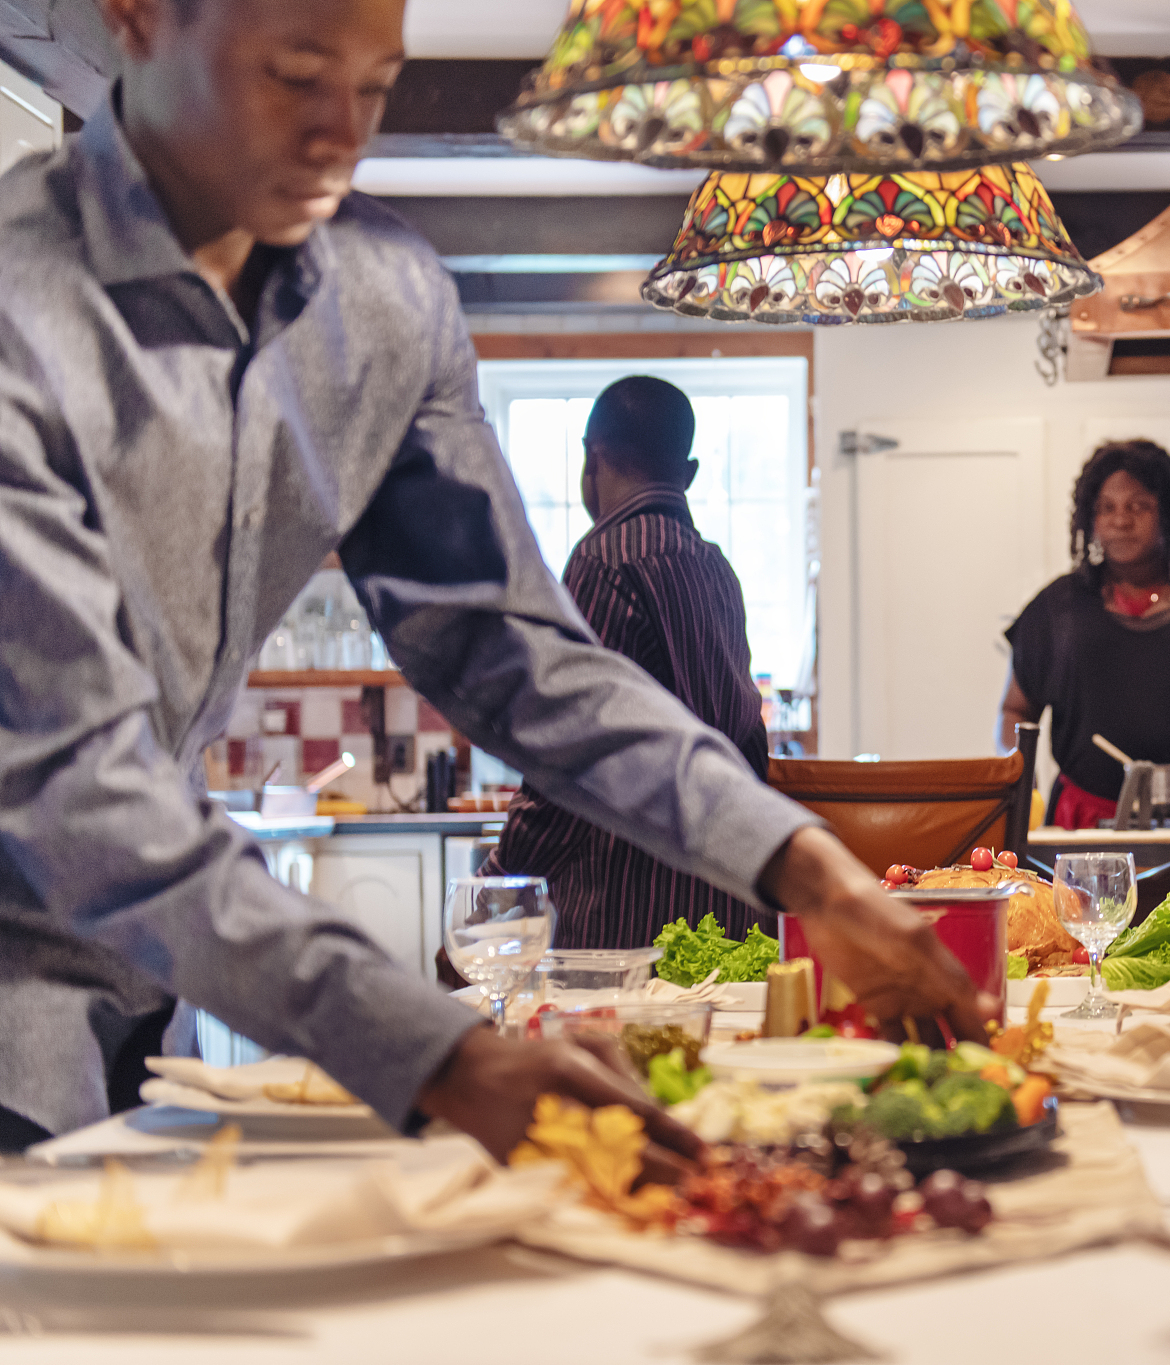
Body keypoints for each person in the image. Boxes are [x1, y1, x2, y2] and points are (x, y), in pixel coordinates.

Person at [0, 0, 985, 1158]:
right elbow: (74, 785)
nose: (341, 133)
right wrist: (443, 1054)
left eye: (375, 86)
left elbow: (513, 650)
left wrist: (812, 872)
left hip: (148, 974)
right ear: (134, 16)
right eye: (295, 73)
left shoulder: (382, 297)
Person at [485, 376, 770, 948]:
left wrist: (496, 889)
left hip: (627, 916)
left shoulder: (604, 561)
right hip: (728, 903)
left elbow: (573, 750)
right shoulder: (717, 570)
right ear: (688, 474)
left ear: (592, 459)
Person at [997, 440, 1170, 829]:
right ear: (1090, 518)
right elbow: (1016, 711)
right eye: (1106, 508)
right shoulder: (1058, 606)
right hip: (1079, 821)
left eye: (1138, 506)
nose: (1121, 521)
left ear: (1168, 512)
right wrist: (1020, 786)